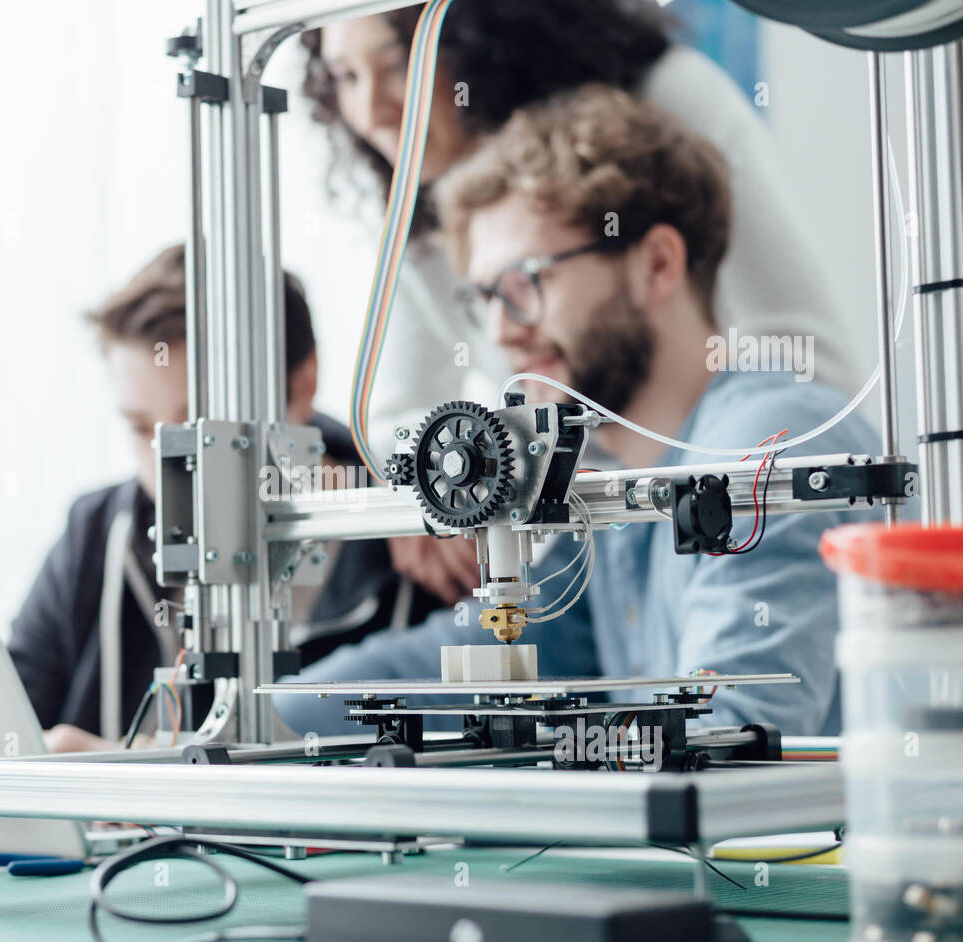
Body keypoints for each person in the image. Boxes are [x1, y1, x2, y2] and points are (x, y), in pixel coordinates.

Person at [274, 86, 879, 741]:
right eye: (485, 299)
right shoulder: (619, 493)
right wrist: (257, 722)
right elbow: (454, 666)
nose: (502, 332)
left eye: (527, 282)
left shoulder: (764, 447)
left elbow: (725, 739)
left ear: (657, 263)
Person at [301, 0, 864, 606]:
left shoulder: (671, 101)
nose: (369, 111)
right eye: (345, 77)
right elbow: (395, 425)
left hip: (692, 526)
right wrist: (448, 488)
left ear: (480, 41)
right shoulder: (423, 190)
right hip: (582, 565)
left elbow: (811, 378)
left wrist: (634, 463)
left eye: (396, 66)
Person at [9, 244, 442, 752]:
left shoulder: (414, 540)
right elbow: (1, 726)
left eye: (196, 430)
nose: (161, 468)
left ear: (301, 385)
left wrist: (142, 776)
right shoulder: (97, 533)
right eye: (140, 427)